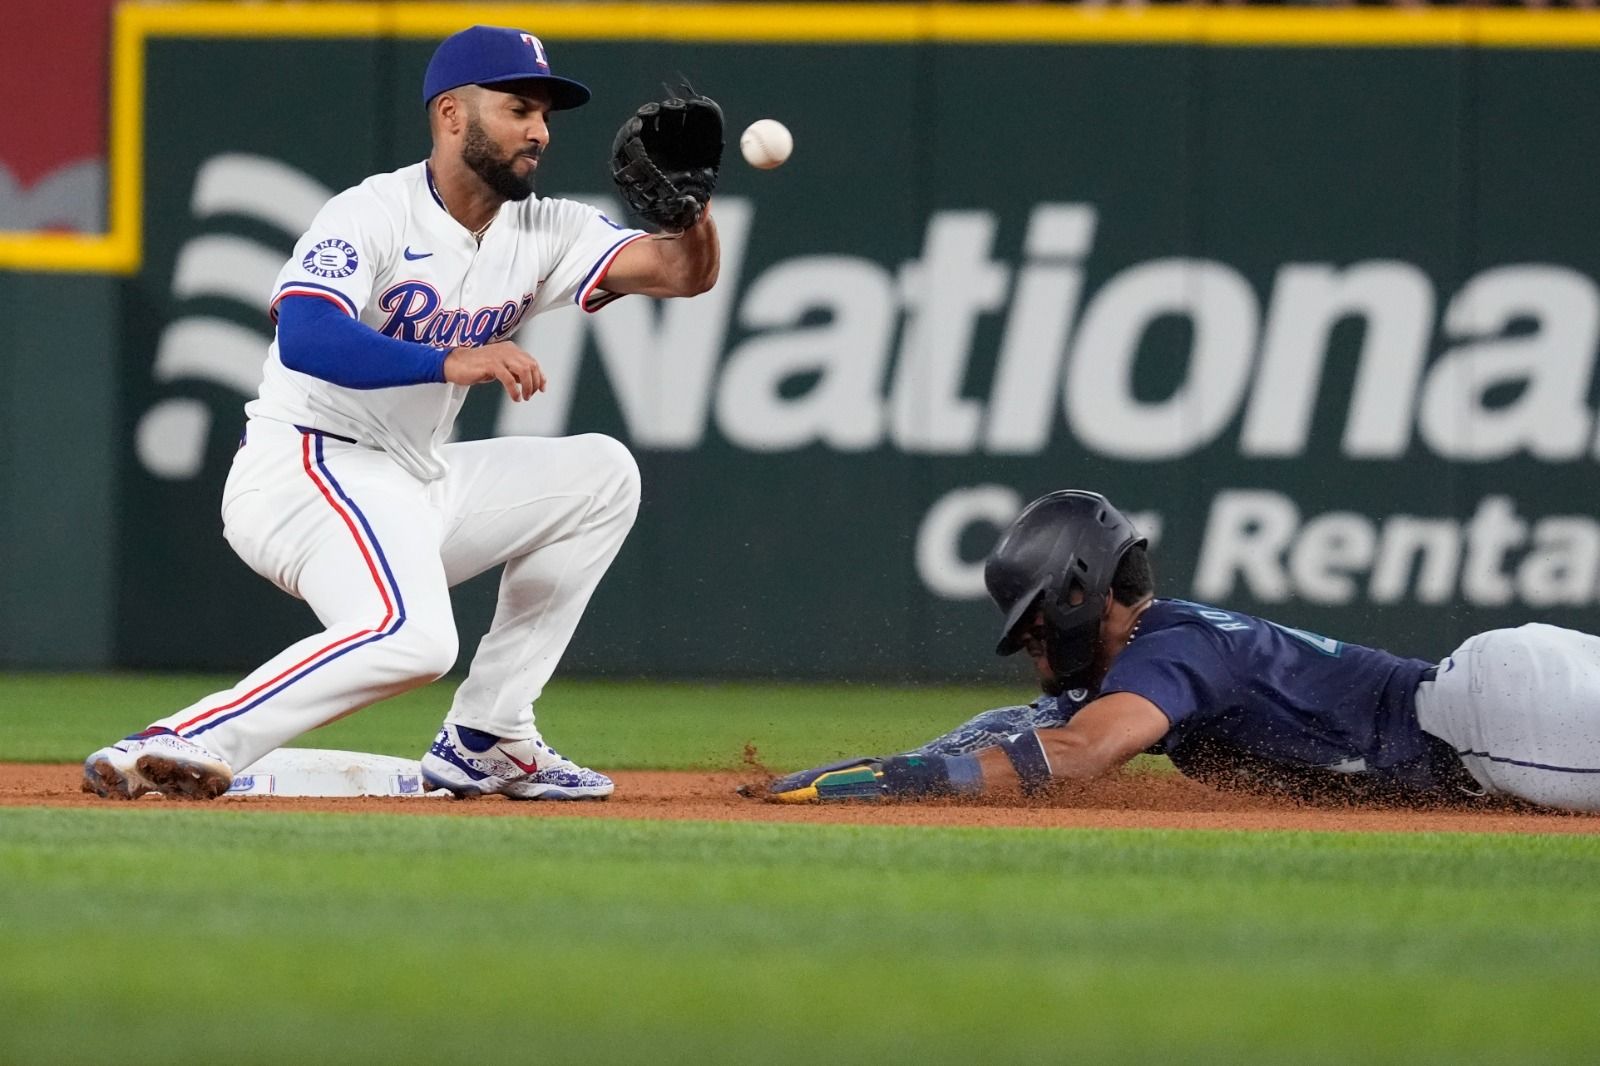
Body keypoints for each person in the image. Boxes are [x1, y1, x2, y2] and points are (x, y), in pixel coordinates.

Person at [83, 25, 723, 801]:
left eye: (546, 115)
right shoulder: (373, 213)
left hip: (413, 480)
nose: (539, 132)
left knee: (602, 475)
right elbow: (307, 333)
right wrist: (447, 359)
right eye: (519, 108)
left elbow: (680, 274)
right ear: (451, 114)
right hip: (306, 469)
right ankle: (181, 738)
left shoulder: (547, 227)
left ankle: (489, 735)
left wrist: (691, 213)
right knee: (416, 639)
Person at [772, 489, 1600, 813]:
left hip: (1500, 724)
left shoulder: (1173, 648)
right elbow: (1026, 728)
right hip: (1497, 707)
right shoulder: (1159, 650)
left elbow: (1080, 753)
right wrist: (890, 765)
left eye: (1035, 631)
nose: (1034, 654)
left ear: (1080, 595)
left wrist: (903, 781)